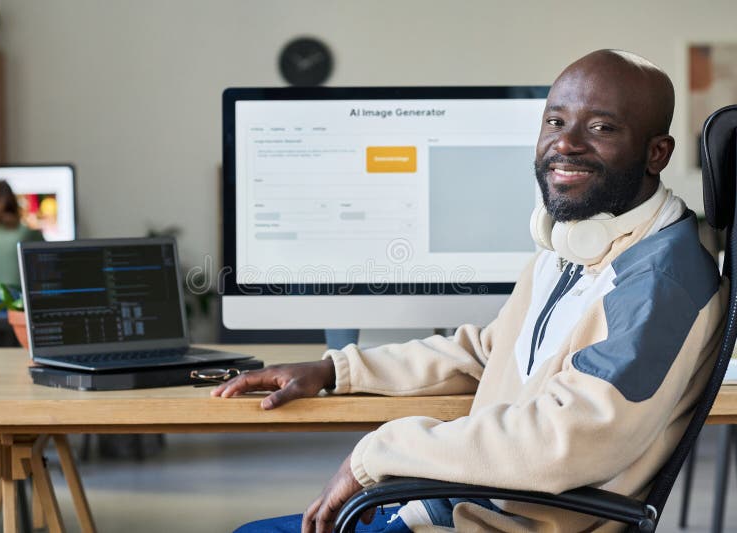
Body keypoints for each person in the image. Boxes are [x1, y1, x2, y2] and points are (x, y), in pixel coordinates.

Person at [216, 49, 726, 533]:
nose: (566, 144)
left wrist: (377, 452)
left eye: (601, 128)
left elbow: (564, 440)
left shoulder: (662, 279)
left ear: (656, 153)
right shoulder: (581, 240)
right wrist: (334, 370)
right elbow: (486, 353)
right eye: (555, 122)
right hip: (463, 502)